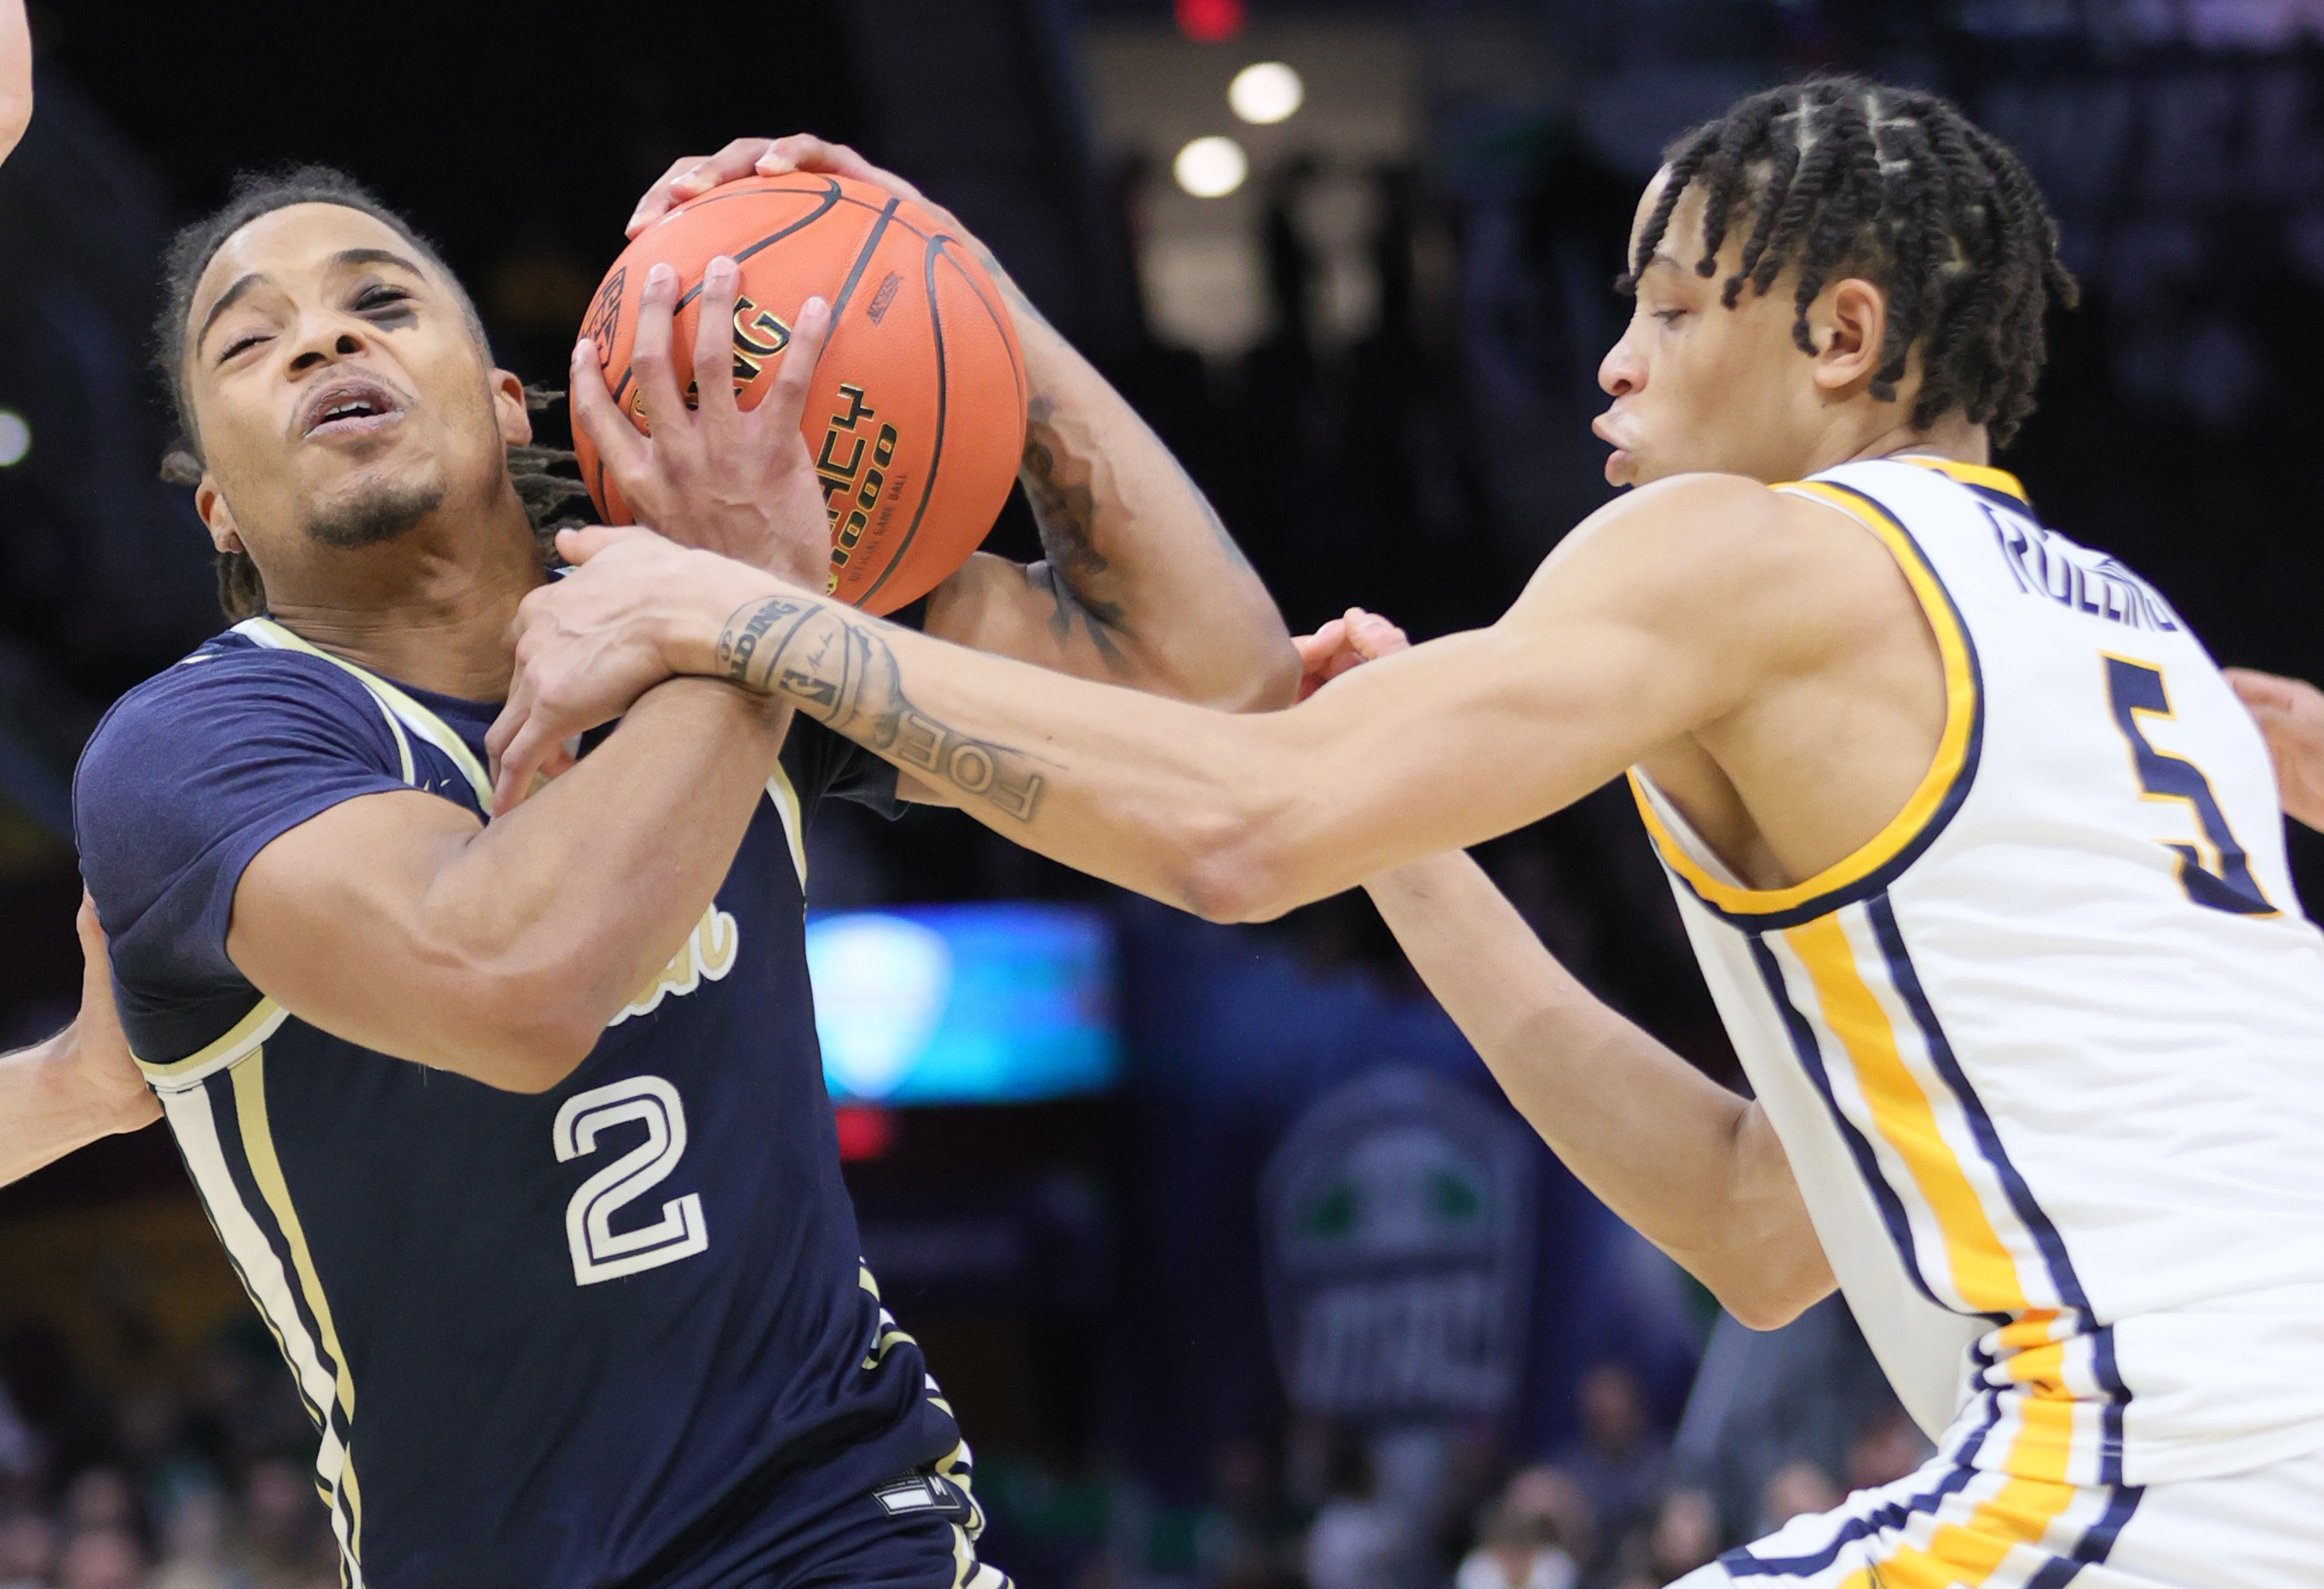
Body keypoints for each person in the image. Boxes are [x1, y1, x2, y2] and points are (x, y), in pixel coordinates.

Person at [504, 80, 2324, 1585]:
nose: (1611, 362)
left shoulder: (1745, 552)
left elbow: (1228, 836)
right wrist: (1409, 849)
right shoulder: (2112, 626)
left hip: (2154, 1472)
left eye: (1673, 309)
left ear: (1840, 335)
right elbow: (1763, 1223)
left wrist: (741, 617)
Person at [66, 136, 1292, 1589]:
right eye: (251, 342)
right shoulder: (193, 752)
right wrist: (757, 615)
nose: (324, 335)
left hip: (855, 1525)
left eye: (382, 303)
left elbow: (1214, 696)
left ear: (505, 397)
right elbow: (514, 980)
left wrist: (961, 290)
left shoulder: (705, 582)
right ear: (217, 509)